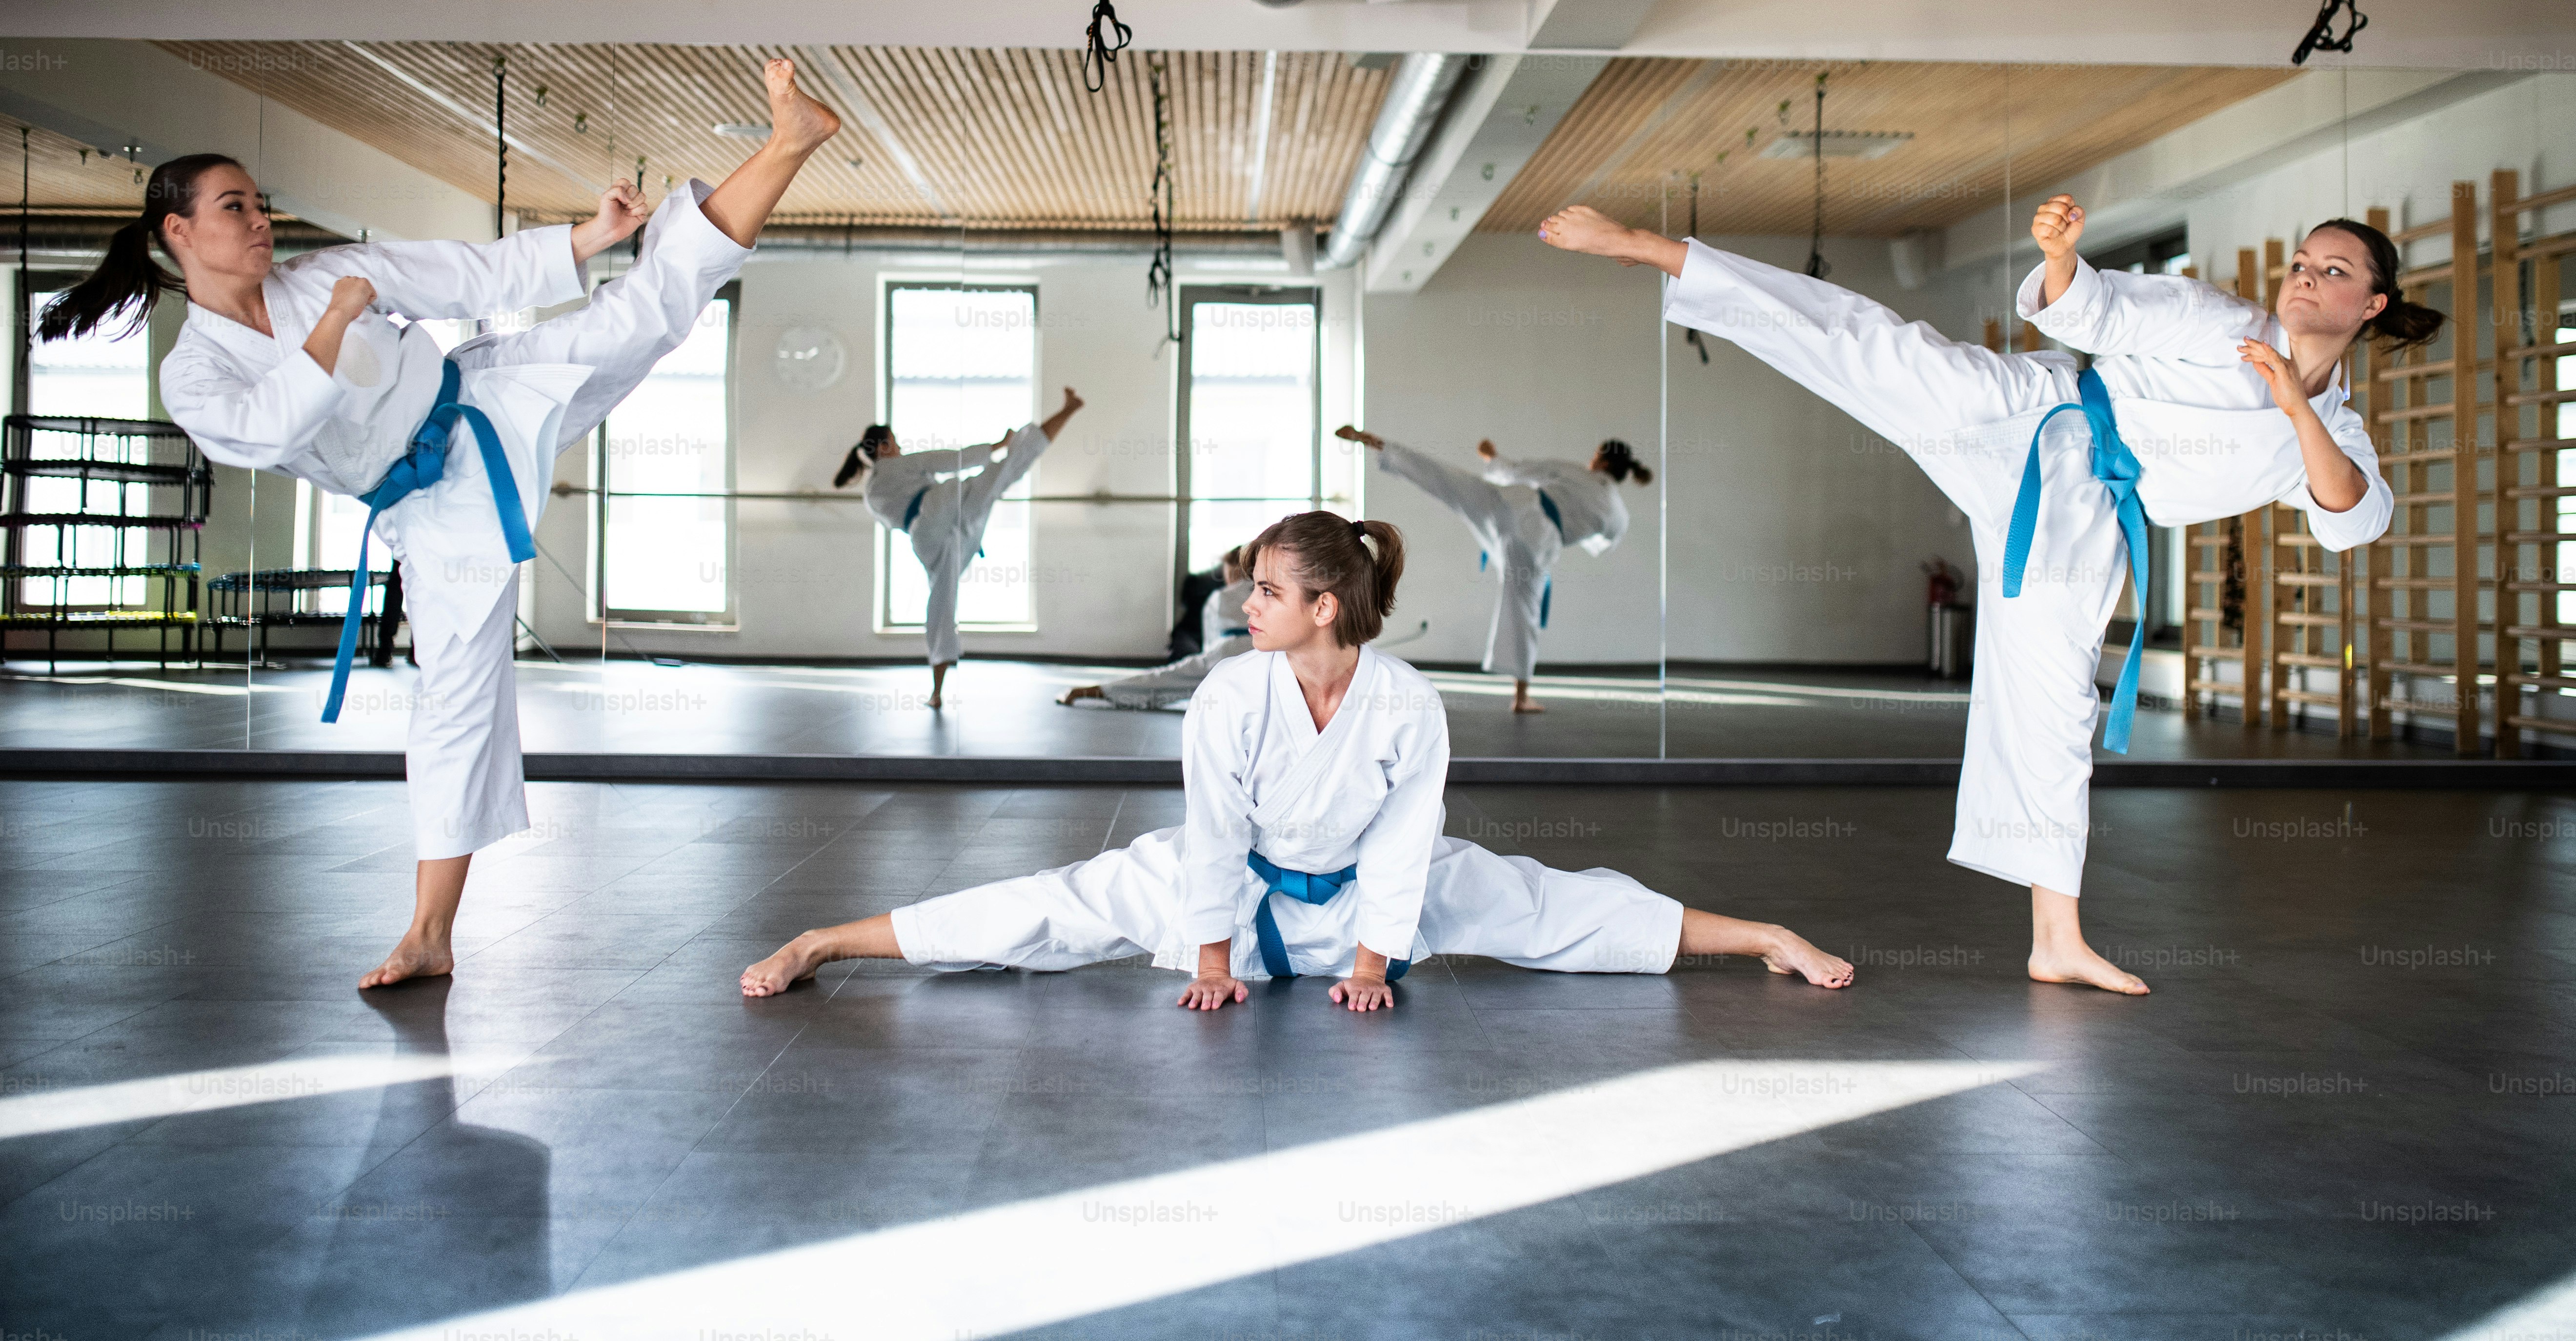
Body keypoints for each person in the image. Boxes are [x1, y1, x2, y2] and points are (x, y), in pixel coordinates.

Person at [42, 59, 843, 989]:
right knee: (454, 703)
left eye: (261, 203)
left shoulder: (327, 273)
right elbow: (270, 432)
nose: (261, 220)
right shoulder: (195, 373)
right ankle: (430, 933)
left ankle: (790, 139)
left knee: (646, 311)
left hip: (487, 398)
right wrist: (336, 326)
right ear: (178, 230)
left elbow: (462, 273)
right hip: (433, 512)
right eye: (235, 208)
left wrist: (589, 237)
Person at [1537, 196, 2434, 995]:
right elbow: (2103, 309)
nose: (2307, 279)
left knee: (2052, 709)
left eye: (2334, 271)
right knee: (1872, 345)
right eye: (2302, 263)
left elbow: (2351, 514)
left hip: (2083, 523)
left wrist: (2294, 405)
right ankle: (1659, 252)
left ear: (2373, 304)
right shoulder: (2219, 322)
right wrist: (2058, 261)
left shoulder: (2334, 428)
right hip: (2035, 414)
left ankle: (2058, 941)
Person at [741, 511, 1851, 1004]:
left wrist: (1371, 966)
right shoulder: (1231, 693)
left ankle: (1761, 935)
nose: (1247, 602)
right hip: (1232, 899)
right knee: (1048, 909)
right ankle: (824, 940)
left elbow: (1409, 839)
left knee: (1549, 907)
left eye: (1267, 589)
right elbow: (1217, 835)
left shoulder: (1407, 701)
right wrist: (1213, 959)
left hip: (1376, 900)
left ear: (1325, 604)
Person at [1334, 426, 1650, 712]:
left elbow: (1516, 471)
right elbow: (1600, 542)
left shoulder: (1577, 473)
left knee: (1451, 481)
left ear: (1604, 462)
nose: (1591, 463)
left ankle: (1379, 443)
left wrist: (1491, 457)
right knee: (1524, 610)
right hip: (1537, 542)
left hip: (1510, 504)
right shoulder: (1619, 516)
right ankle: (1521, 696)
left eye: (1595, 458)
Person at [835, 389, 1084, 708]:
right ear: (883, 447)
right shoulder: (895, 466)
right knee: (1007, 467)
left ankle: (937, 692)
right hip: (942, 508)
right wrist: (996, 446)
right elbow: (946, 459)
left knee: (941, 603)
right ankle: (1054, 420)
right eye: (895, 442)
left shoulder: (871, 494)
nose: (899, 448)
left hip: (929, 537)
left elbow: (899, 520)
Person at [1059, 545, 1252, 708]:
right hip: (1265, 653)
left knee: (1164, 680)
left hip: (1227, 654)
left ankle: (1089, 692)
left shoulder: (1222, 597)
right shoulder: (1267, 592)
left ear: (1235, 568)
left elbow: (1211, 646)